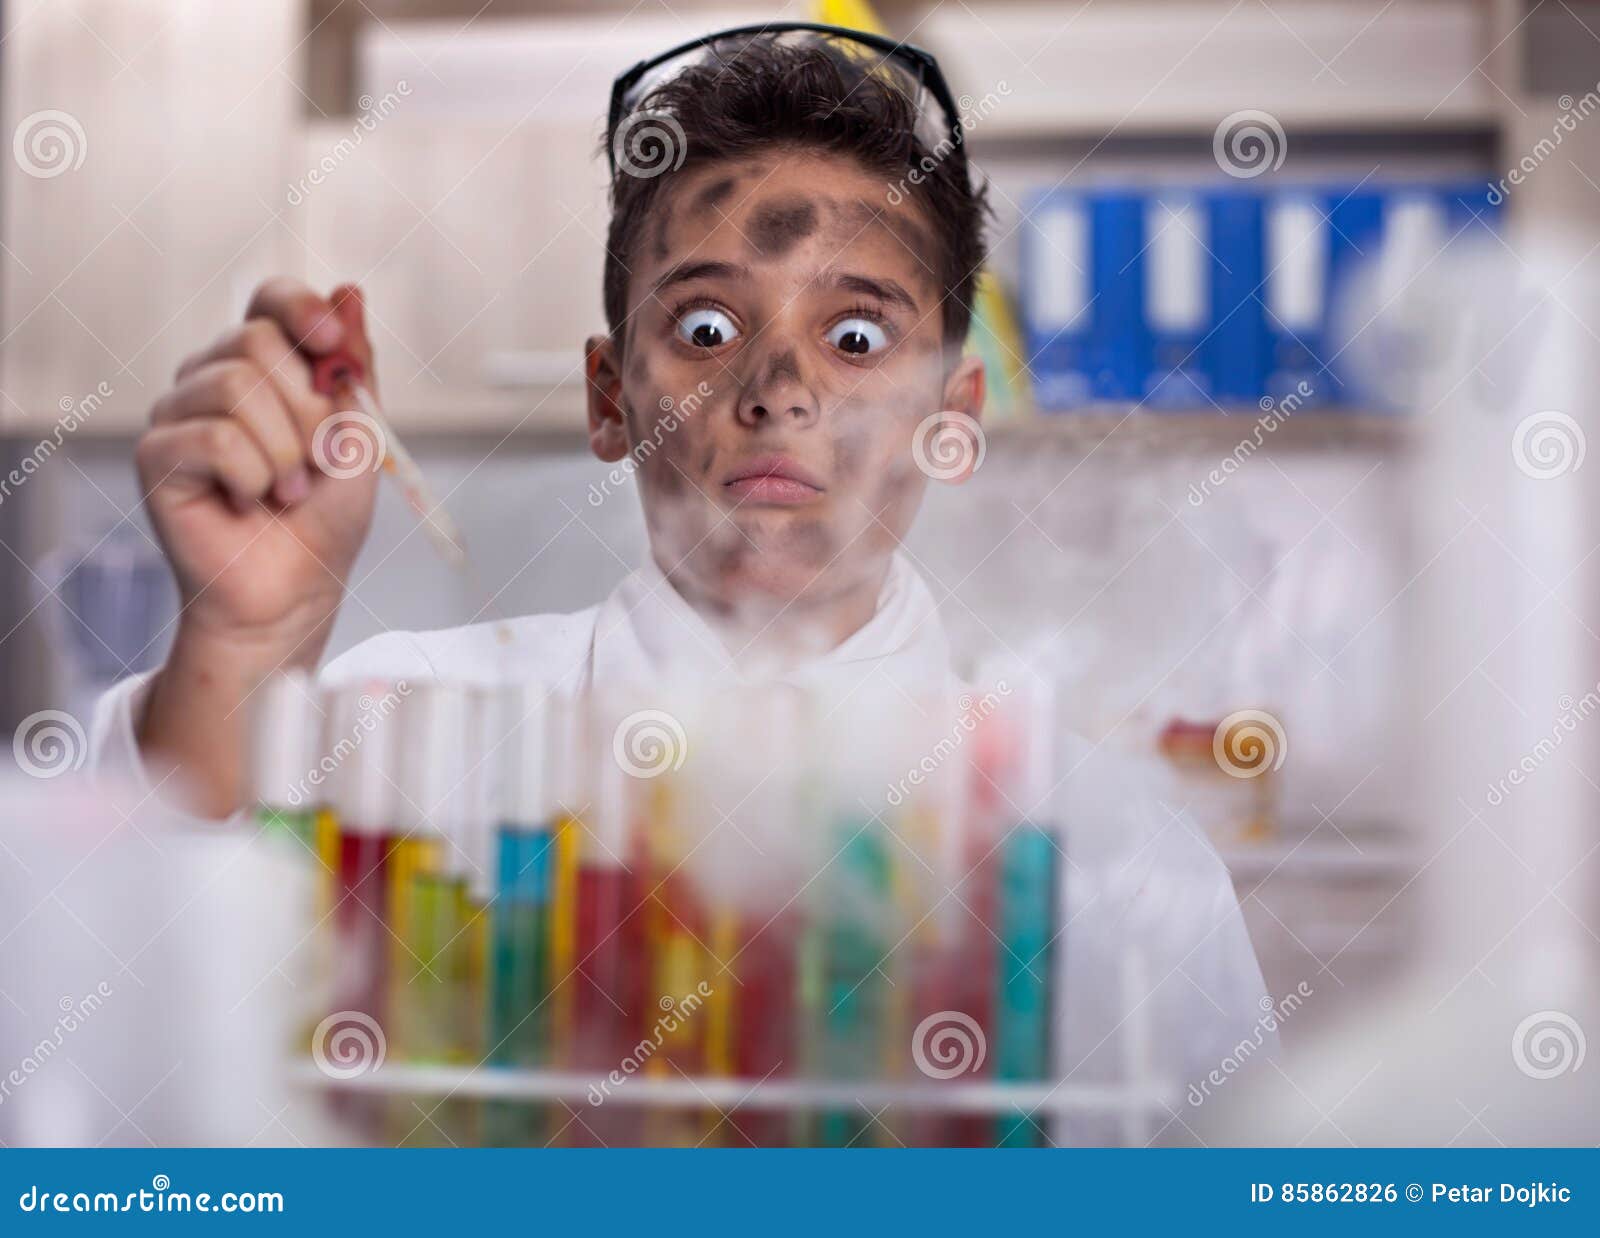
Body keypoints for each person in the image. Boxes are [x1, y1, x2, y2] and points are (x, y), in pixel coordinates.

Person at [90, 26, 1271, 1141]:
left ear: (950, 419)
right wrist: (246, 642)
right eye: (705, 325)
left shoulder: (1121, 859)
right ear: (611, 398)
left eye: (856, 338)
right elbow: (104, 1058)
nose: (775, 387)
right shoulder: (403, 746)